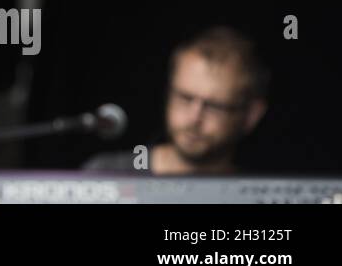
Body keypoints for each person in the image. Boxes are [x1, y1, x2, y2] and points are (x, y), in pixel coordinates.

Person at [83, 26, 269, 175]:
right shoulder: (106, 175)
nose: (194, 118)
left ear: (251, 115)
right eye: (185, 98)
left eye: (214, 106)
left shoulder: (258, 193)